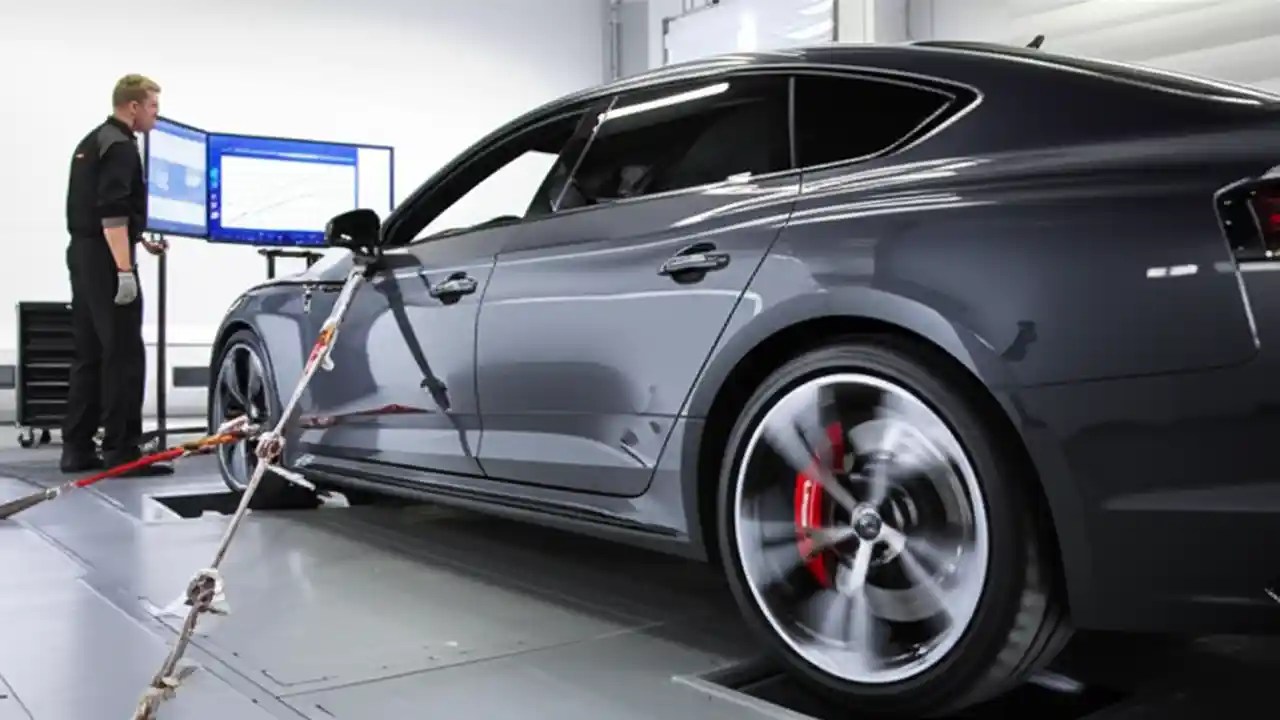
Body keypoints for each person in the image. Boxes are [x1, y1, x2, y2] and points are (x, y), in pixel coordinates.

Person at [60, 74, 173, 475]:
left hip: (83, 254)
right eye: (154, 107)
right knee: (124, 354)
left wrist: (139, 239)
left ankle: (76, 448)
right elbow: (111, 213)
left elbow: (100, 214)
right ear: (133, 107)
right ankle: (122, 451)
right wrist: (125, 270)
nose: (157, 115)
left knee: (89, 353)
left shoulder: (93, 141)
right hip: (107, 260)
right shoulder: (123, 147)